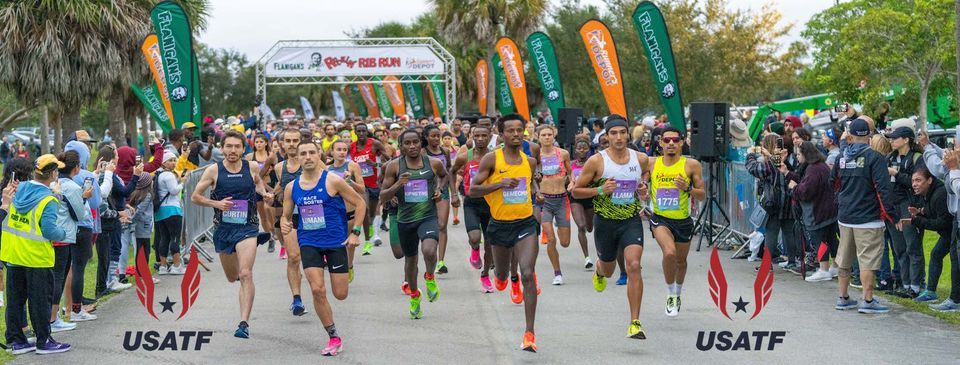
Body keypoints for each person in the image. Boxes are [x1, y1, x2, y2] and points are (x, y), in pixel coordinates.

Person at [281, 140, 365, 356]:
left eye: (311, 152)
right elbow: (286, 215)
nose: (307, 157)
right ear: (297, 158)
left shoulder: (333, 181)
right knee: (317, 289)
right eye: (303, 153)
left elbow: (360, 203)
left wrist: (355, 232)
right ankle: (333, 336)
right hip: (309, 242)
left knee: (340, 293)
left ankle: (345, 271)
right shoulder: (292, 188)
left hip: (336, 242)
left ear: (319, 155)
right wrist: (284, 222)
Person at [572, 115, 649, 339]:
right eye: (613, 133)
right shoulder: (597, 161)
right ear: (606, 136)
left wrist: (643, 188)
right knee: (608, 269)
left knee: (634, 265)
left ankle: (635, 322)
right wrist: (599, 191)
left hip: (630, 220)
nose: (618, 137)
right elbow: (576, 191)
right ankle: (599, 269)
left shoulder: (640, 158)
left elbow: (644, 177)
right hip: (605, 222)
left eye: (622, 133)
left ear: (627, 134)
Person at [191, 130, 274, 338]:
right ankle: (241, 286)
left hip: (248, 227)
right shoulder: (213, 170)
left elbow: (257, 182)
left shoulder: (252, 167)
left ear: (243, 148)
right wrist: (216, 203)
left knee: (246, 273)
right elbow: (195, 196)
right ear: (222, 148)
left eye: (237, 146)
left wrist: (265, 194)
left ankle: (244, 323)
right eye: (229, 146)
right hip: (224, 229)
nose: (233, 150)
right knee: (232, 277)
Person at [469, 114, 542, 351]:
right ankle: (501, 279)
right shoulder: (491, 159)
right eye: (510, 130)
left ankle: (529, 333)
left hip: (525, 224)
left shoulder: (529, 161)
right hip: (499, 226)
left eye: (519, 130)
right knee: (500, 275)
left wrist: (536, 189)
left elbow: (529, 183)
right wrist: (499, 184)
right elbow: (473, 190)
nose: (516, 134)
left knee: (528, 273)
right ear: (501, 134)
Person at [2, 154, 72, 354]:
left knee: (15, 301)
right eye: (56, 170)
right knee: (40, 300)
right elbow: (50, 231)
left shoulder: (18, 189)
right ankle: (44, 341)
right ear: (52, 174)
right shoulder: (48, 199)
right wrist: (64, 233)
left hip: (13, 254)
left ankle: (16, 340)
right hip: (36, 258)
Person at [380, 129, 448, 318]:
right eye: (407, 143)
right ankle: (415, 295)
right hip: (405, 220)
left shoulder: (432, 163)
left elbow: (444, 175)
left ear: (421, 143)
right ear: (400, 146)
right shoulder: (394, 166)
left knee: (428, 250)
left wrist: (439, 189)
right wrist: (397, 186)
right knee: (410, 261)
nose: (412, 146)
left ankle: (430, 277)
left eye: (415, 142)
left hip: (427, 217)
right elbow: (383, 196)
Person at [832, 118, 897, 314]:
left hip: (845, 216)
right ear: (869, 135)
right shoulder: (875, 158)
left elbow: (833, 183)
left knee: (844, 258)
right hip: (868, 218)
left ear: (849, 135)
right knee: (868, 259)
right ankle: (868, 301)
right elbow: (883, 189)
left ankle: (843, 298)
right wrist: (892, 215)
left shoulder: (841, 157)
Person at [645, 126, 704, 317]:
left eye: (675, 140)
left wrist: (687, 188)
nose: (671, 143)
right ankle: (670, 293)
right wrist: (642, 192)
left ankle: (678, 292)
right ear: (660, 143)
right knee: (669, 253)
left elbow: (702, 195)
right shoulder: (652, 163)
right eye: (667, 140)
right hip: (660, 218)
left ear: (682, 143)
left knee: (681, 261)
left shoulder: (691, 165)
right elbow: (641, 185)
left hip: (683, 221)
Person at [449, 124, 496, 292]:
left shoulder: (495, 156)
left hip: (491, 203)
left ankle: (485, 276)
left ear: (490, 136)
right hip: (472, 202)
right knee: (475, 237)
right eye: (477, 136)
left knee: (490, 243)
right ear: (472, 137)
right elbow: (452, 171)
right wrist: (454, 194)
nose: (481, 139)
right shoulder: (465, 156)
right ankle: (475, 249)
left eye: (484, 135)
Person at [49, 151, 91, 332]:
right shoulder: (73, 187)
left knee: (54, 277)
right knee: (58, 277)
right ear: (76, 168)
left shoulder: (53, 184)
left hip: (51, 233)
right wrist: (84, 198)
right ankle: (52, 318)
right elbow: (81, 215)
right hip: (64, 235)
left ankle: (52, 316)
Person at [788, 142, 839, 282]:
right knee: (832, 239)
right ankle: (835, 266)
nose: (797, 157)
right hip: (830, 210)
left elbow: (805, 191)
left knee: (820, 242)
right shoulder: (822, 166)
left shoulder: (813, 169)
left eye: (799, 154)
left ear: (806, 154)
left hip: (817, 212)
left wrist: (794, 188)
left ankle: (823, 269)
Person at [746, 134, 798, 272]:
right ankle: (792, 260)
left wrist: (750, 155)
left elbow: (754, 169)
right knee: (788, 232)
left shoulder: (769, 162)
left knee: (771, 233)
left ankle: (767, 263)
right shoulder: (787, 159)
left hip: (774, 202)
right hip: (789, 200)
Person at [885, 126, 926, 298]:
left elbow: (917, 183)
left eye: (895, 138)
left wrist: (897, 173)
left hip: (909, 205)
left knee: (912, 247)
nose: (891, 140)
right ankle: (905, 284)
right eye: (890, 138)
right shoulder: (890, 157)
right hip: (893, 206)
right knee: (899, 248)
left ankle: (917, 286)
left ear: (906, 139)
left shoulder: (917, 158)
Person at [272, 129, 309, 315]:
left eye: (296, 140)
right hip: (290, 217)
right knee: (294, 257)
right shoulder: (280, 167)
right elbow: (281, 187)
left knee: (309, 258)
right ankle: (297, 299)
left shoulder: (313, 164)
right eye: (289, 140)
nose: (292, 144)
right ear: (282, 144)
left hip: (312, 216)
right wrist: (271, 194)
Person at [63, 141, 99, 320]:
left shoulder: (57, 182)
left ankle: (67, 306)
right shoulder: (84, 177)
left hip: (64, 231)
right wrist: (85, 197)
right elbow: (93, 204)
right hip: (82, 227)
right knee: (78, 269)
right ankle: (77, 309)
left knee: (66, 269)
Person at [534, 125, 574, 285]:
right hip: (545, 202)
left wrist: (572, 182)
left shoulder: (563, 153)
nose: (547, 137)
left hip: (562, 200)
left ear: (554, 135)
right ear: (538, 137)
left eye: (549, 134)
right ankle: (557, 273)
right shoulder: (535, 158)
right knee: (551, 239)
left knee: (565, 243)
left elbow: (571, 173)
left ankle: (557, 226)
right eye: (543, 135)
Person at [326, 140, 366, 282]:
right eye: (339, 149)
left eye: (344, 149)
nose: (342, 152)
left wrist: (350, 181)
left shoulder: (352, 166)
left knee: (349, 242)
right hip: (334, 212)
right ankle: (338, 266)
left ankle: (349, 266)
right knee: (336, 241)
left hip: (350, 211)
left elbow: (362, 189)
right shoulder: (327, 169)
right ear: (332, 151)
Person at [351, 123, 392, 255]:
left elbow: (390, 161)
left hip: (374, 183)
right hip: (360, 185)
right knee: (365, 208)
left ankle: (370, 228)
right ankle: (368, 241)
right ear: (355, 132)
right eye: (359, 131)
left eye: (364, 131)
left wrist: (376, 164)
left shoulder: (374, 144)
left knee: (372, 213)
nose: (361, 133)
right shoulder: (351, 147)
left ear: (367, 132)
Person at [422, 125, 453, 275]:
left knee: (442, 225)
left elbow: (448, 173)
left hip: (442, 191)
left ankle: (441, 261)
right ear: (426, 137)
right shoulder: (422, 152)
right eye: (432, 136)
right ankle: (430, 252)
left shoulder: (445, 151)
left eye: (437, 136)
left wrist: (448, 191)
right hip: (424, 192)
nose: (435, 138)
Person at [154, 153, 186, 275]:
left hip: (160, 211)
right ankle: (177, 266)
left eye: (174, 160)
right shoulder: (168, 175)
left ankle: (163, 266)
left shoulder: (159, 175)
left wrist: (177, 181)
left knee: (164, 238)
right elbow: (173, 191)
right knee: (175, 238)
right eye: (170, 160)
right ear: (163, 163)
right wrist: (182, 183)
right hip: (172, 210)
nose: (173, 162)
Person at [567, 136, 594, 270]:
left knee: (590, 227)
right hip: (575, 198)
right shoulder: (571, 164)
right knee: (581, 226)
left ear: (589, 150)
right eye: (579, 148)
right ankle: (587, 258)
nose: (582, 150)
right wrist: (569, 182)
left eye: (585, 148)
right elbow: (567, 179)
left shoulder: (593, 163)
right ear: (575, 150)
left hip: (590, 197)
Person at [245, 133, 276, 250]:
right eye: (256, 142)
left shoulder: (271, 155)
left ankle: (273, 230)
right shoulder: (249, 157)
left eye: (261, 142)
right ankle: (270, 237)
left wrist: (271, 169)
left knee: (270, 210)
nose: (259, 144)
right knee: (263, 215)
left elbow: (277, 169)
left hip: (270, 186)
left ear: (266, 143)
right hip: (257, 188)